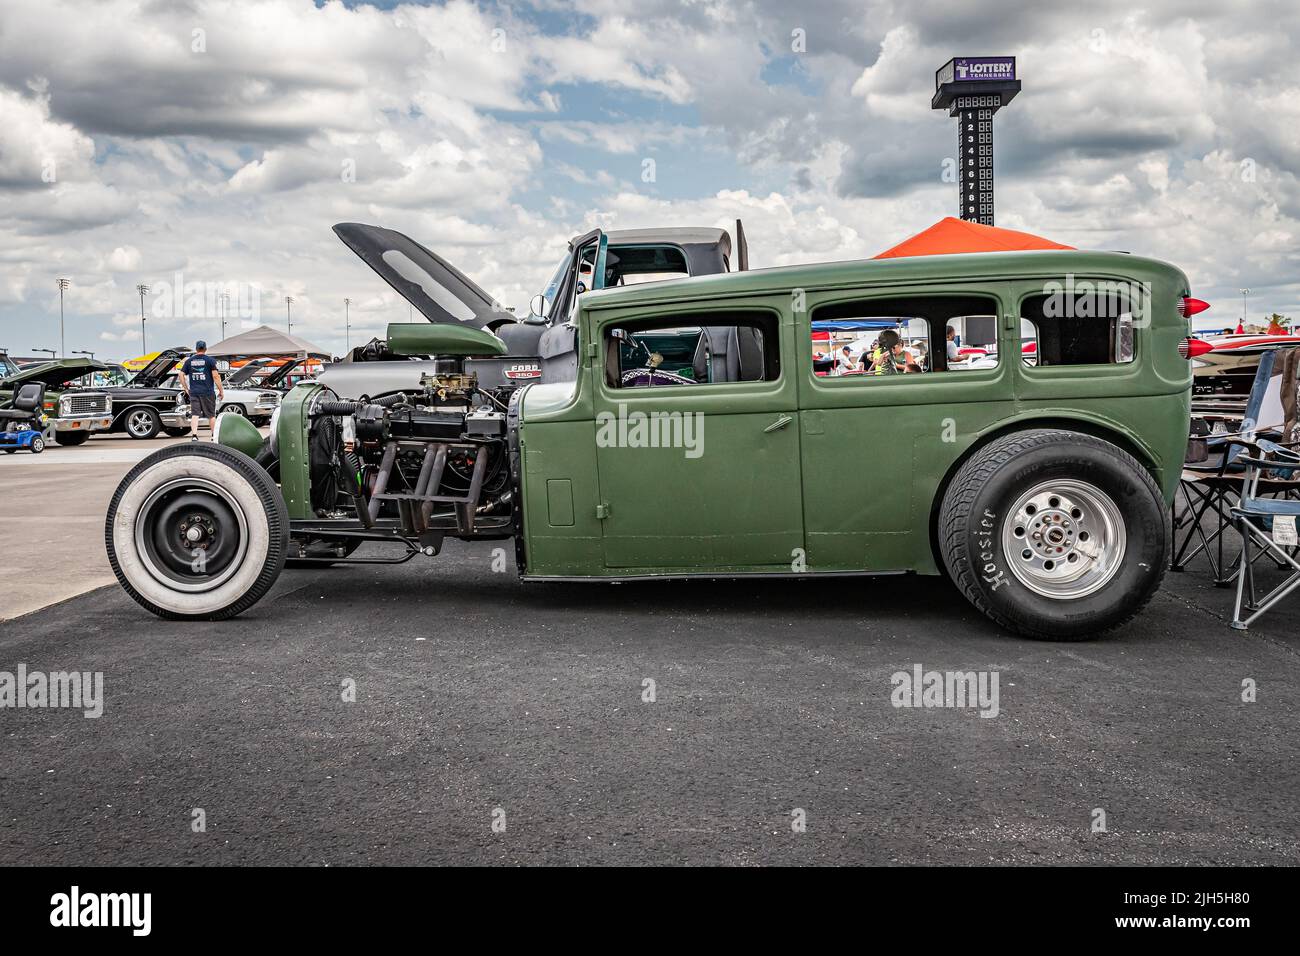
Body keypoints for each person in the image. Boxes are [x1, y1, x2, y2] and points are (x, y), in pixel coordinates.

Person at [179, 340, 223, 440]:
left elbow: (181, 374)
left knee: (195, 414)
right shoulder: (210, 361)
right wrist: (221, 390)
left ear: (196, 349)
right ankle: (214, 435)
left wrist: (186, 388)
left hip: (194, 392)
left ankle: (194, 436)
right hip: (207, 392)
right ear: (205, 349)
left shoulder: (189, 361)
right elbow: (216, 377)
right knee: (211, 415)